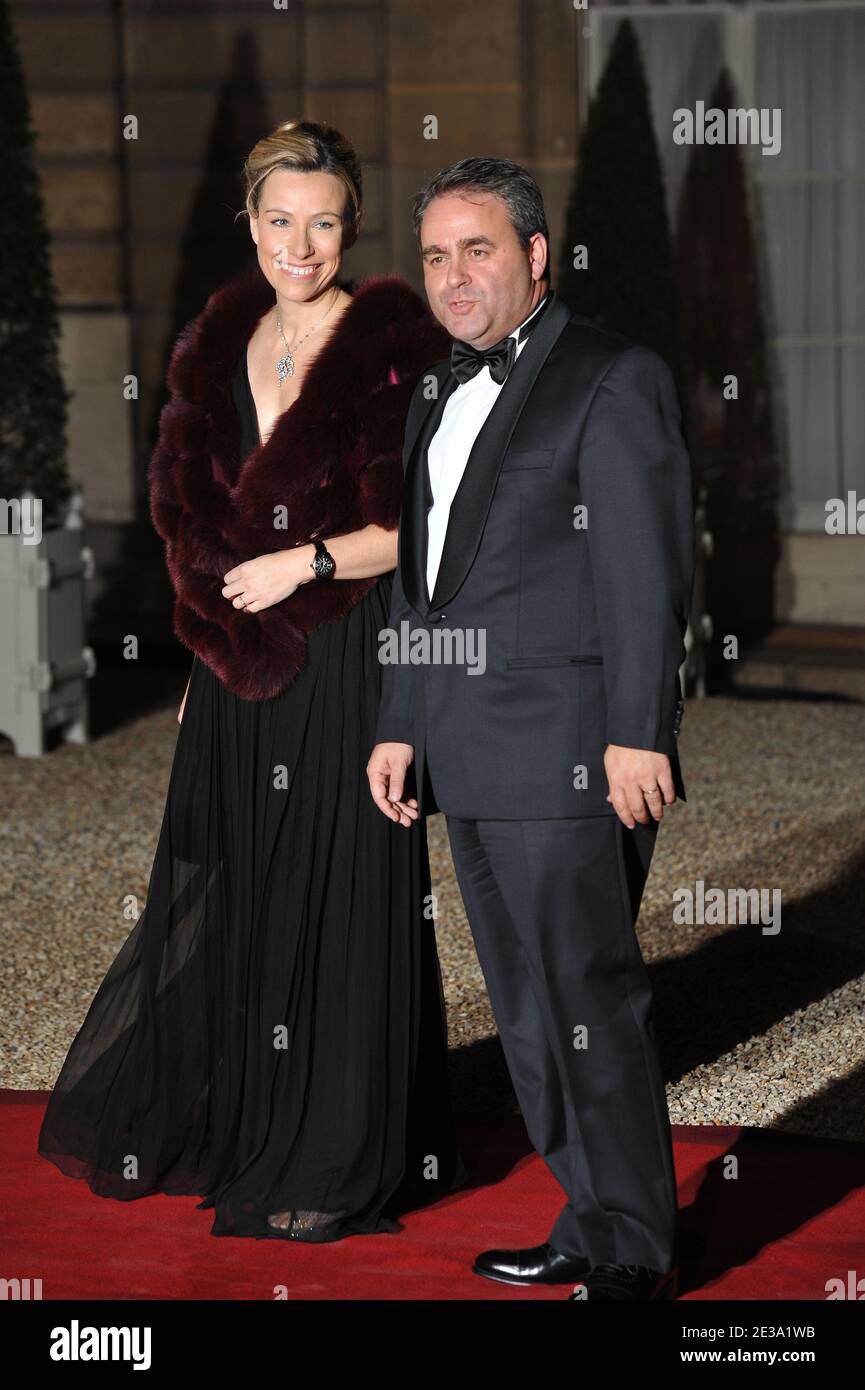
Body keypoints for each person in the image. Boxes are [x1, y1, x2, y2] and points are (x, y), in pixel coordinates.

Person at [38, 120, 466, 1242]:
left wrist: (306, 561)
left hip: (345, 647)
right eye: (280, 220)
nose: (300, 242)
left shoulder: (390, 347)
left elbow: (413, 527)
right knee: (240, 891)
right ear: (251, 222)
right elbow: (192, 524)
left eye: (322, 221)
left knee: (344, 890)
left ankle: (334, 1149)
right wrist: (201, 649)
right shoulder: (218, 346)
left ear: (351, 225)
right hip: (239, 662)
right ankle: (249, 1121)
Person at [367, 156, 695, 1299]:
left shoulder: (613, 378)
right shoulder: (430, 388)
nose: (454, 277)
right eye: (437, 255)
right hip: (463, 751)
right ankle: (588, 1213)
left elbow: (644, 571)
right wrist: (399, 719)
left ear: (535, 256)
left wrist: (638, 730)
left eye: (479, 250)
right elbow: (422, 580)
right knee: (524, 1010)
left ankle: (638, 1248)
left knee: (589, 999)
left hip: (571, 754)